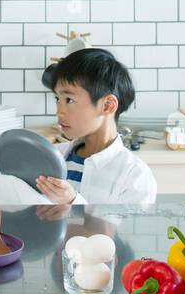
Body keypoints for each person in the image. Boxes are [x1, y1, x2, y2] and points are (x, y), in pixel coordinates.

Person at [36, 47, 157, 207]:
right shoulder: (53, 157)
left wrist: (73, 202)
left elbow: (126, 231)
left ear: (107, 105)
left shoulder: (135, 175)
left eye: (69, 100)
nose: (59, 111)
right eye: (57, 99)